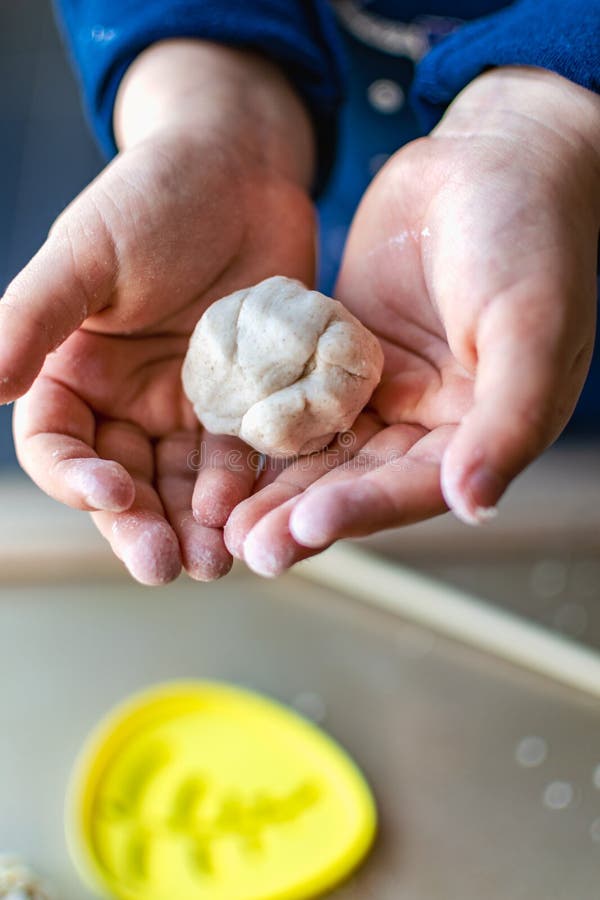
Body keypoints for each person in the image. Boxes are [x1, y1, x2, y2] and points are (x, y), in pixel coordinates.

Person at [1, 1, 598, 584]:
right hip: (325, 185)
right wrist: (214, 93)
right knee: (490, 405)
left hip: (538, 220)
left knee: (518, 377)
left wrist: (548, 114)